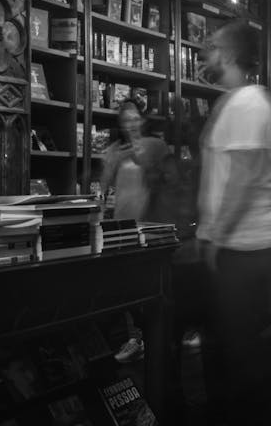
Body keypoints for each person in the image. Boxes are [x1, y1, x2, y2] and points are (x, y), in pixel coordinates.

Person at [196, 20, 271, 423]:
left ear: (231, 55)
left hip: (243, 246)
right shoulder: (239, 101)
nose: (205, 53)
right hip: (236, 243)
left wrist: (218, 235)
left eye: (213, 47)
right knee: (229, 345)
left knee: (241, 350)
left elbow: (245, 174)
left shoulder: (249, 103)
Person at [99, 98, 174, 364]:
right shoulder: (114, 151)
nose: (130, 124)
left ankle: (153, 337)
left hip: (149, 226)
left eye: (134, 118)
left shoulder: (154, 145)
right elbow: (104, 185)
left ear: (141, 120)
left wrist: (130, 156)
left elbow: (163, 173)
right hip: (122, 226)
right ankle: (137, 338)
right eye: (125, 120)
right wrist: (111, 162)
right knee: (125, 287)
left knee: (150, 285)